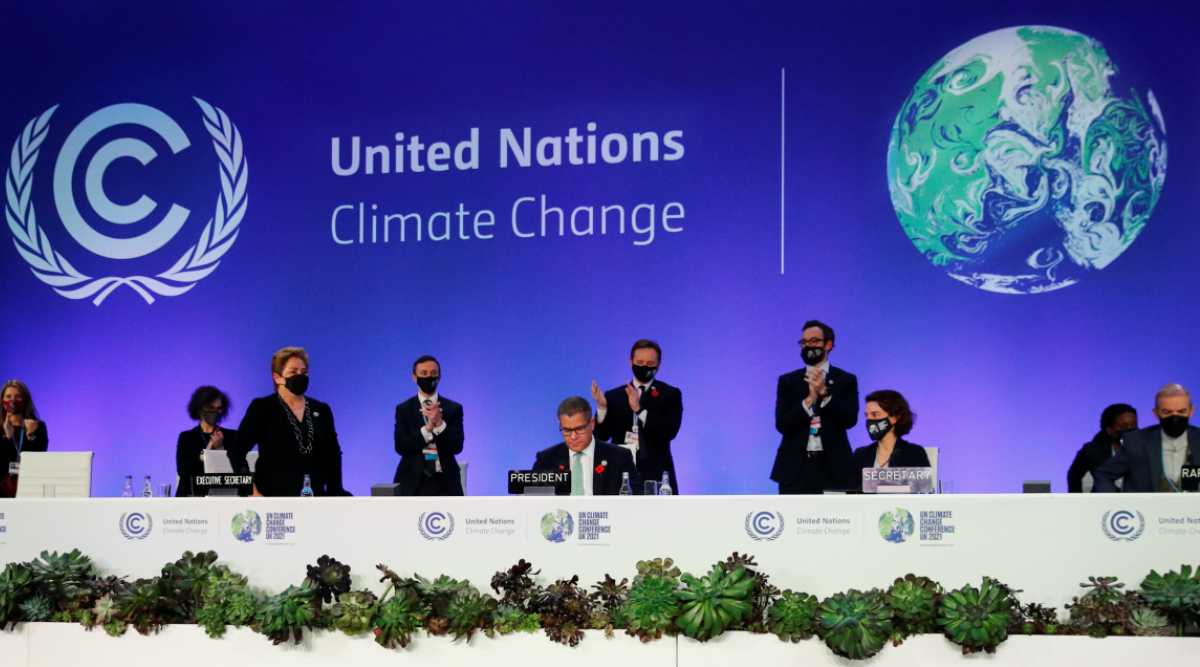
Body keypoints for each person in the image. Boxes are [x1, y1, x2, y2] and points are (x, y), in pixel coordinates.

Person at [227, 347, 349, 496]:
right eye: (293, 372)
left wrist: (336, 491)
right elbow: (237, 451)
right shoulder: (262, 408)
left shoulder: (321, 410)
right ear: (277, 377)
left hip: (315, 496)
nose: (300, 376)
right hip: (273, 498)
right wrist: (251, 491)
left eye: (304, 372)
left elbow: (333, 454)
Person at [771, 320, 860, 494]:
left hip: (834, 467)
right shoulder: (788, 381)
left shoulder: (846, 379)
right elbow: (782, 424)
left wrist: (825, 394)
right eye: (804, 342)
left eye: (814, 341)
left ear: (828, 345)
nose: (808, 346)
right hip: (795, 468)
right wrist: (810, 399)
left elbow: (850, 419)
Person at [592, 339, 684, 493]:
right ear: (631, 362)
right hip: (620, 473)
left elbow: (670, 431)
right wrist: (602, 408)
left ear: (658, 364)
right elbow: (601, 437)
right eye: (640, 362)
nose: (644, 367)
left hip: (657, 473)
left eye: (650, 363)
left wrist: (639, 409)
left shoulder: (670, 394)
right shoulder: (614, 396)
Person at [1094, 384, 1199, 492]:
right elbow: (1104, 475)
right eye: (1167, 412)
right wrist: (1113, 500)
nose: (1175, 416)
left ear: (1191, 411)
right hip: (1146, 503)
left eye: (1181, 411)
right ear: (1156, 413)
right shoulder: (1136, 442)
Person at [532, 396, 639, 495]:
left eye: (579, 429)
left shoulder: (619, 457)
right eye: (567, 430)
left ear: (592, 424)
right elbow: (531, 498)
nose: (573, 436)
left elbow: (636, 497)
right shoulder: (546, 460)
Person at [393, 355, 465, 496]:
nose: (429, 377)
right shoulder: (404, 409)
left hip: (446, 482)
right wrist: (427, 429)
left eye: (433, 373)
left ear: (439, 377)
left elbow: (457, 446)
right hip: (412, 482)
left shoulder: (453, 408)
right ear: (415, 377)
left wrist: (440, 424)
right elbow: (401, 446)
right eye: (424, 373)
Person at [847, 390, 931, 492]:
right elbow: (851, 492)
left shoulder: (914, 453)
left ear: (894, 417)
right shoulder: (861, 455)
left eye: (875, 415)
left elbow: (922, 490)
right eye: (867, 416)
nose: (869, 421)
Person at [175, 386, 239, 497]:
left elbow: (237, 472)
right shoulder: (187, 437)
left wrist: (220, 449)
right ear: (200, 409)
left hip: (222, 498)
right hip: (189, 497)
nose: (215, 412)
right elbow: (183, 471)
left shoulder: (232, 436)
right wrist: (207, 452)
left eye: (219, 408)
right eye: (211, 407)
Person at [1067, 403, 1137, 493]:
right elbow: (1074, 476)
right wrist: (1078, 500)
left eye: (1133, 425)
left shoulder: (1144, 447)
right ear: (1109, 430)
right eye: (1123, 426)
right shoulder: (1092, 451)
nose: (1130, 429)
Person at [0, 380, 48, 498]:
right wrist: (8, 438)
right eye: (8, 396)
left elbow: (39, 459)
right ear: (2, 401)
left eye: (18, 396)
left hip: (30, 489)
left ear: (25, 400)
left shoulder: (38, 427)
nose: (13, 400)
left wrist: (30, 435)